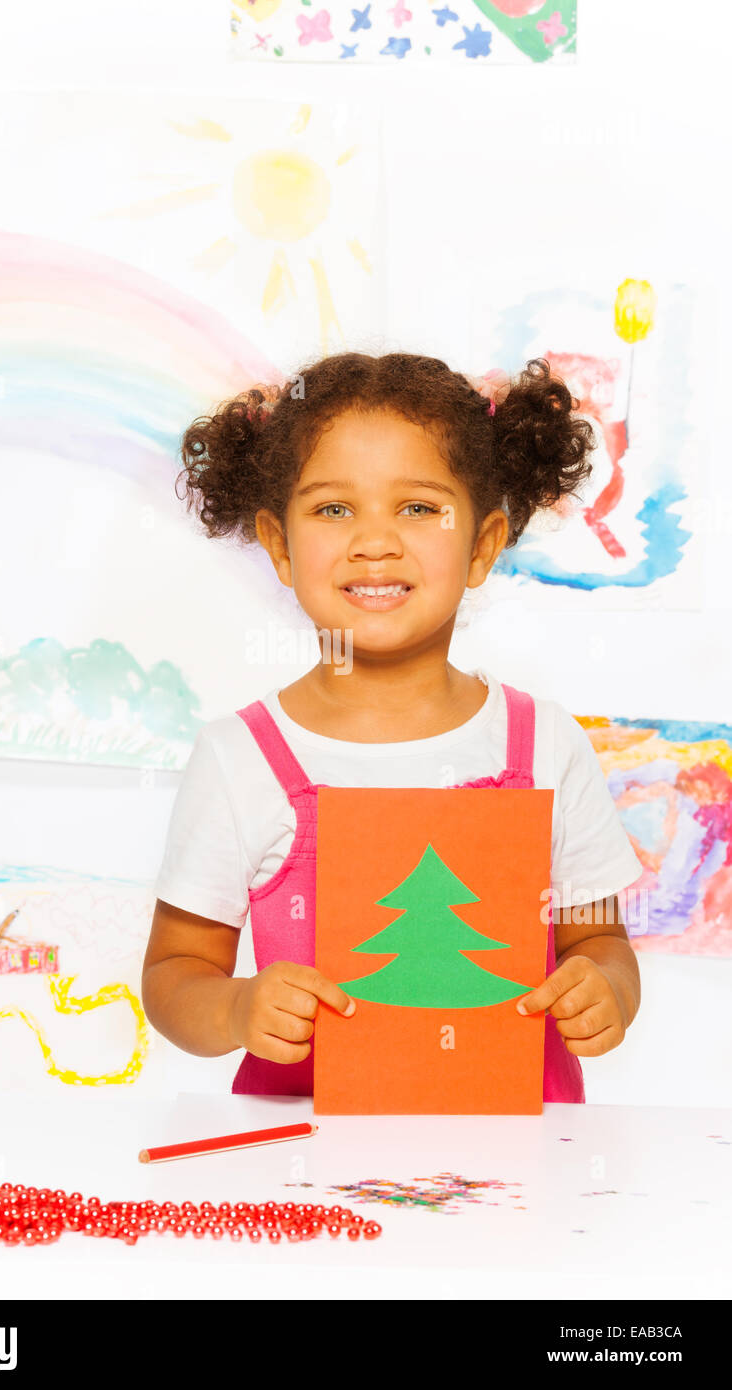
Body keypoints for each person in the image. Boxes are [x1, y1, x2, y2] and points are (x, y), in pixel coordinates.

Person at [141, 352, 643, 1103]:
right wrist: (236, 1008)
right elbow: (174, 973)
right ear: (279, 544)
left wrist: (605, 991)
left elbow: (599, 938)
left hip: (522, 1150)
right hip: (304, 1147)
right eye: (333, 510)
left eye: (417, 508)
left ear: (482, 546)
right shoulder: (238, 757)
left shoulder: (546, 744)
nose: (374, 541)